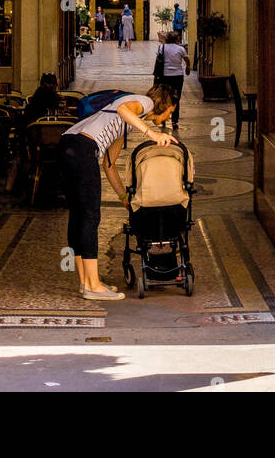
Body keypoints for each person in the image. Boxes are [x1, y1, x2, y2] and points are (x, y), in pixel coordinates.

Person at [58, 86, 177, 300]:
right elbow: (124, 109)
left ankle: (86, 282)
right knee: (90, 217)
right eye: (170, 111)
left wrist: (124, 198)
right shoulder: (144, 102)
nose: (169, 116)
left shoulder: (126, 126)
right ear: (163, 104)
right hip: (83, 149)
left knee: (78, 216)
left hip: (68, 144)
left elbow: (109, 164)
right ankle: (93, 287)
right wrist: (151, 133)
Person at [157, 32, 191, 130]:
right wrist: (187, 68)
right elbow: (187, 60)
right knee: (176, 99)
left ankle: (163, 118)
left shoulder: (161, 48)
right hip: (177, 76)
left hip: (164, 76)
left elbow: (158, 60)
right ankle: (174, 121)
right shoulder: (181, 49)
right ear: (177, 39)